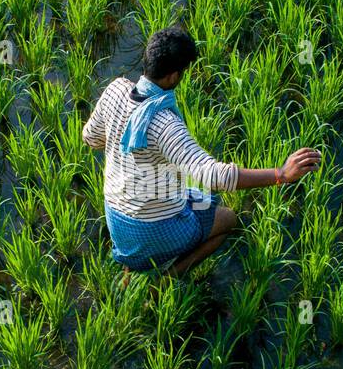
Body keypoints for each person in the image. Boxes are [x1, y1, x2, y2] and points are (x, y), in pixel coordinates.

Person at [82, 26, 321, 276]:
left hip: (117, 223)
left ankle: (131, 267)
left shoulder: (115, 91)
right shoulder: (165, 124)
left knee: (195, 197)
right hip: (150, 230)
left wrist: (125, 139)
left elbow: (90, 138)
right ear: (174, 76)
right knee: (228, 219)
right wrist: (280, 174)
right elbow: (214, 176)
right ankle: (168, 278)